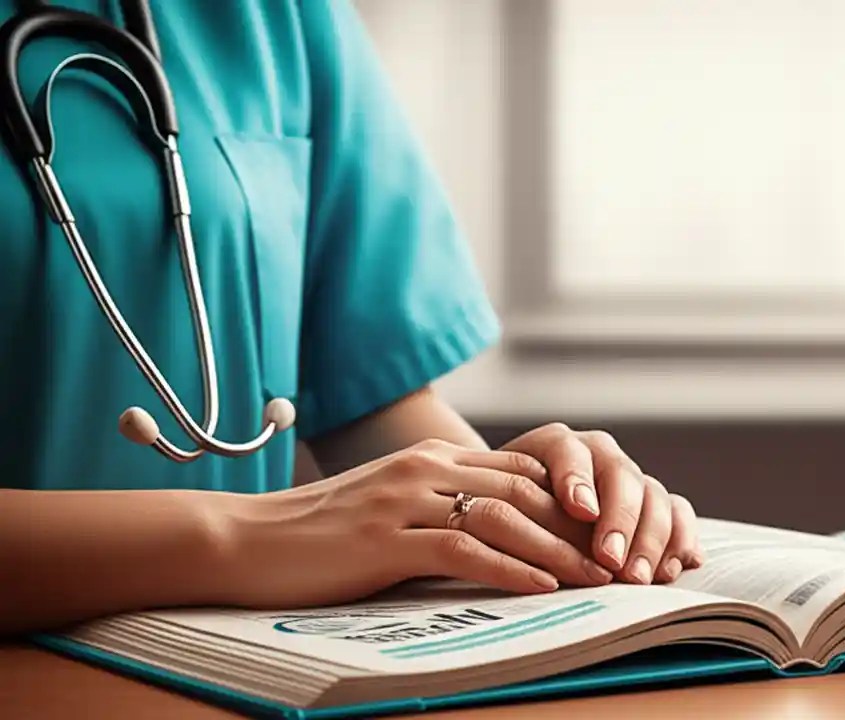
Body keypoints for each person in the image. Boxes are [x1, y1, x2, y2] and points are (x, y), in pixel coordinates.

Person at [0, 0, 700, 636]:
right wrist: (251, 536)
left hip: (231, 677)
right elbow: (318, 525)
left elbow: (372, 411)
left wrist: (523, 498)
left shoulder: (276, 14)